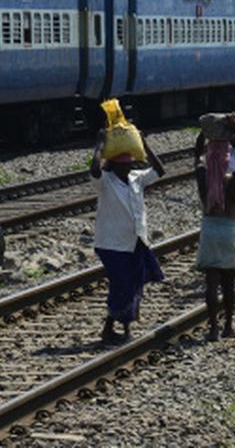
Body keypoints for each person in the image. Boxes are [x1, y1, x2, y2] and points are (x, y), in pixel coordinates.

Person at [90, 128, 167, 344]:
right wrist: (100, 145)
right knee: (121, 285)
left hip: (135, 241)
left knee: (132, 285)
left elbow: (160, 170)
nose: (130, 167)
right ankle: (116, 330)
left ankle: (116, 329)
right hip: (112, 244)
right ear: (115, 165)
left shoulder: (136, 179)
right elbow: (95, 170)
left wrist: (145, 144)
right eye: (125, 164)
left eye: (131, 164)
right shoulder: (105, 181)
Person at [195, 115, 235, 341]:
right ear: (226, 157)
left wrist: (207, 133)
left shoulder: (203, 176)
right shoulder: (233, 179)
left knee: (211, 281)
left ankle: (213, 328)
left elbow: (197, 154)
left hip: (209, 228)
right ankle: (228, 325)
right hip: (229, 228)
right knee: (229, 282)